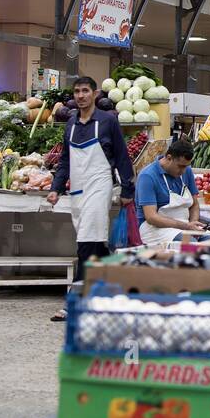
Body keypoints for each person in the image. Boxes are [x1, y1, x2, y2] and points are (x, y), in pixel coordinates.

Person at [47, 76, 136, 321]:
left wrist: (128, 190)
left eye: (85, 91)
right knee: (95, 244)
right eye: (77, 91)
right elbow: (65, 160)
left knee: (86, 241)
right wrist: (56, 188)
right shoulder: (71, 124)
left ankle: (73, 302)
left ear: (95, 94)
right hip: (77, 190)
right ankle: (116, 291)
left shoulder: (108, 121)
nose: (81, 95)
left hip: (99, 186)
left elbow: (121, 156)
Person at [135, 138, 208, 247]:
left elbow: (194, 204)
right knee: (192, 246)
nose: (183, 171)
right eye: (180, 166)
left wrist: (193, 227)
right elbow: (151, 217)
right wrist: (186, 227)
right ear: (169, 158)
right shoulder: (148, 176)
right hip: (154, 229)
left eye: (186, 166)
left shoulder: (186, 171)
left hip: (183, 226)